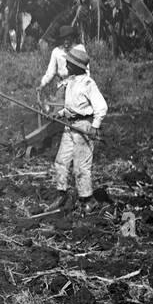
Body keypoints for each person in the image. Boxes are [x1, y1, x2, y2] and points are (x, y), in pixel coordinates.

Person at [45, 44, 107, 213]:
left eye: (69, 63)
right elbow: (72, 105)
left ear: (76, 66)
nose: (66, 65)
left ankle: (87, 199)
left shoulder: (88, 83)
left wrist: (95, 126)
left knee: (81, 165)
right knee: (61, 161)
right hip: (70, 125)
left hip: (83, 126)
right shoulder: (71, 82)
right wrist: (61, 113)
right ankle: (62, 194)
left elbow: (101, 107)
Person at [38, 24, 78, 104]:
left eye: (68, 39)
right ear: (61, 40)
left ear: (72, 39)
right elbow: (51, 72)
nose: (66, 42)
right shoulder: (56, 52)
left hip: (76, 85)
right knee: (58, 109)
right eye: (64, 39)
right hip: (62, 84)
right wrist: (42, 84)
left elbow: (86, 73)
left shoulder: (78, 51)